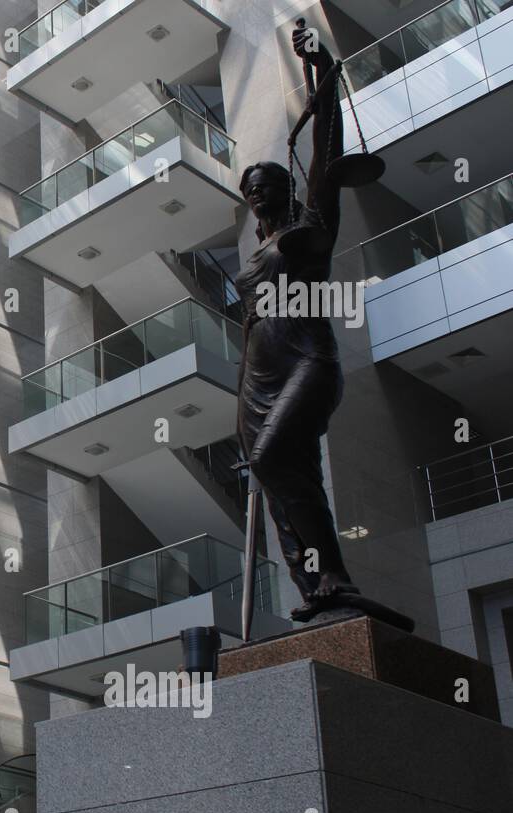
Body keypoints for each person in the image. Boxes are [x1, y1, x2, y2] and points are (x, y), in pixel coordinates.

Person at [235, 23, 355, 622]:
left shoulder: (308, 234)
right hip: (258, 373)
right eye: (250, 191)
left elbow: (328, 160)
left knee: (279, 455)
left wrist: (324, 78)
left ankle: (332, 569)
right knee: (272, 471)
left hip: (308, 361)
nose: (257, 196)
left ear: (285, 189)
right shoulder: (256, 254)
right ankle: (316, 587)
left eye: (266, 187)